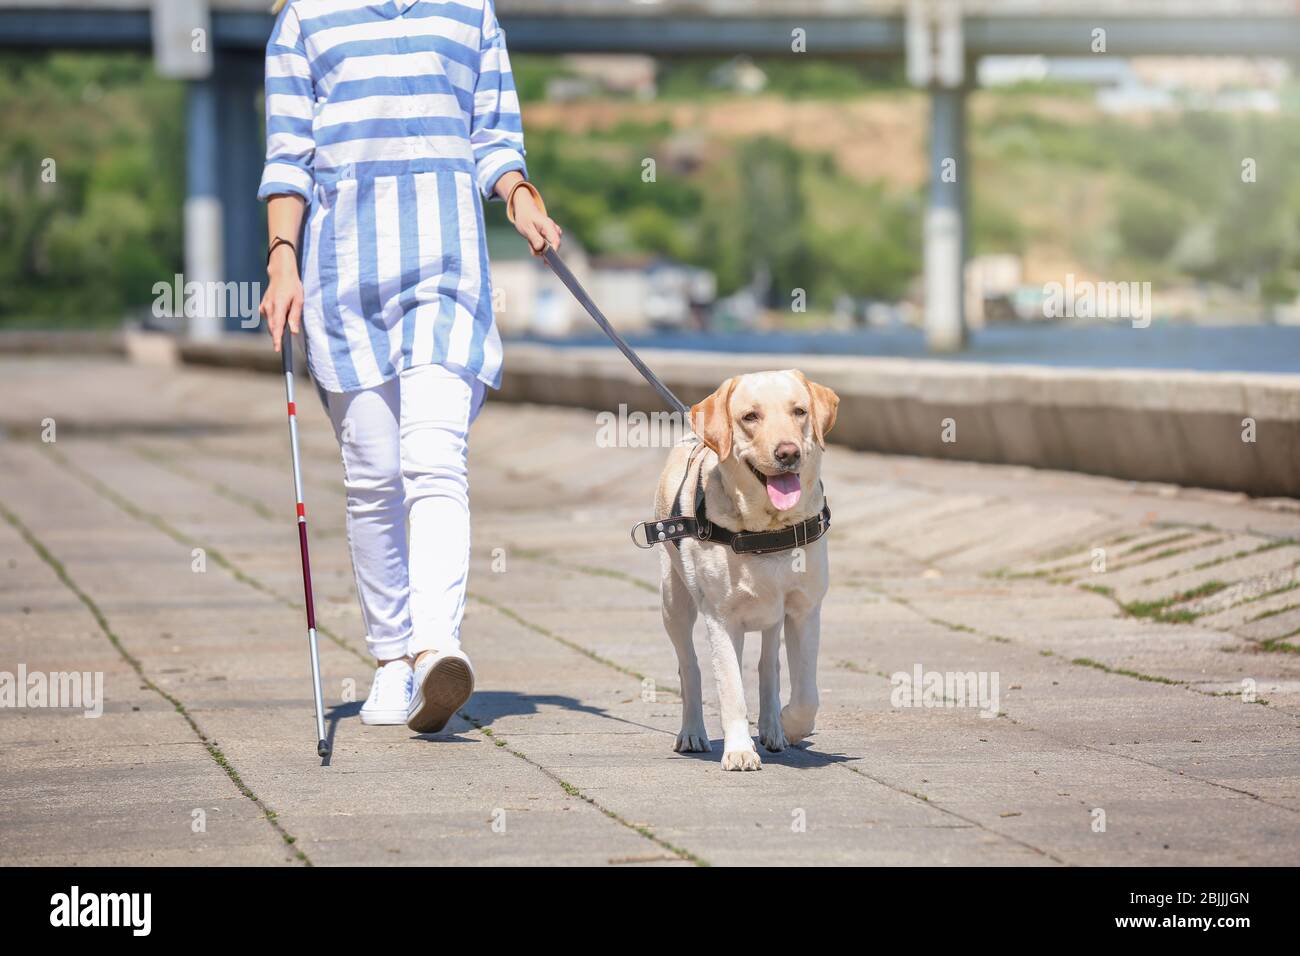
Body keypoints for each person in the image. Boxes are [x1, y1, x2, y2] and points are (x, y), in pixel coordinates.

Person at [257, 0, 561, 734]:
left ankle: (435, 649)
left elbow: (494, 135)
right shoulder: (305, 19)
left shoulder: (471, 12)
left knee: (434, 460)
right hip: (344, 279)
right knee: (371, 479)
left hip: (446, 272)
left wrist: (519, 196)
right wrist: (282, 261)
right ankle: (391, 659)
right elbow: (288, 157)